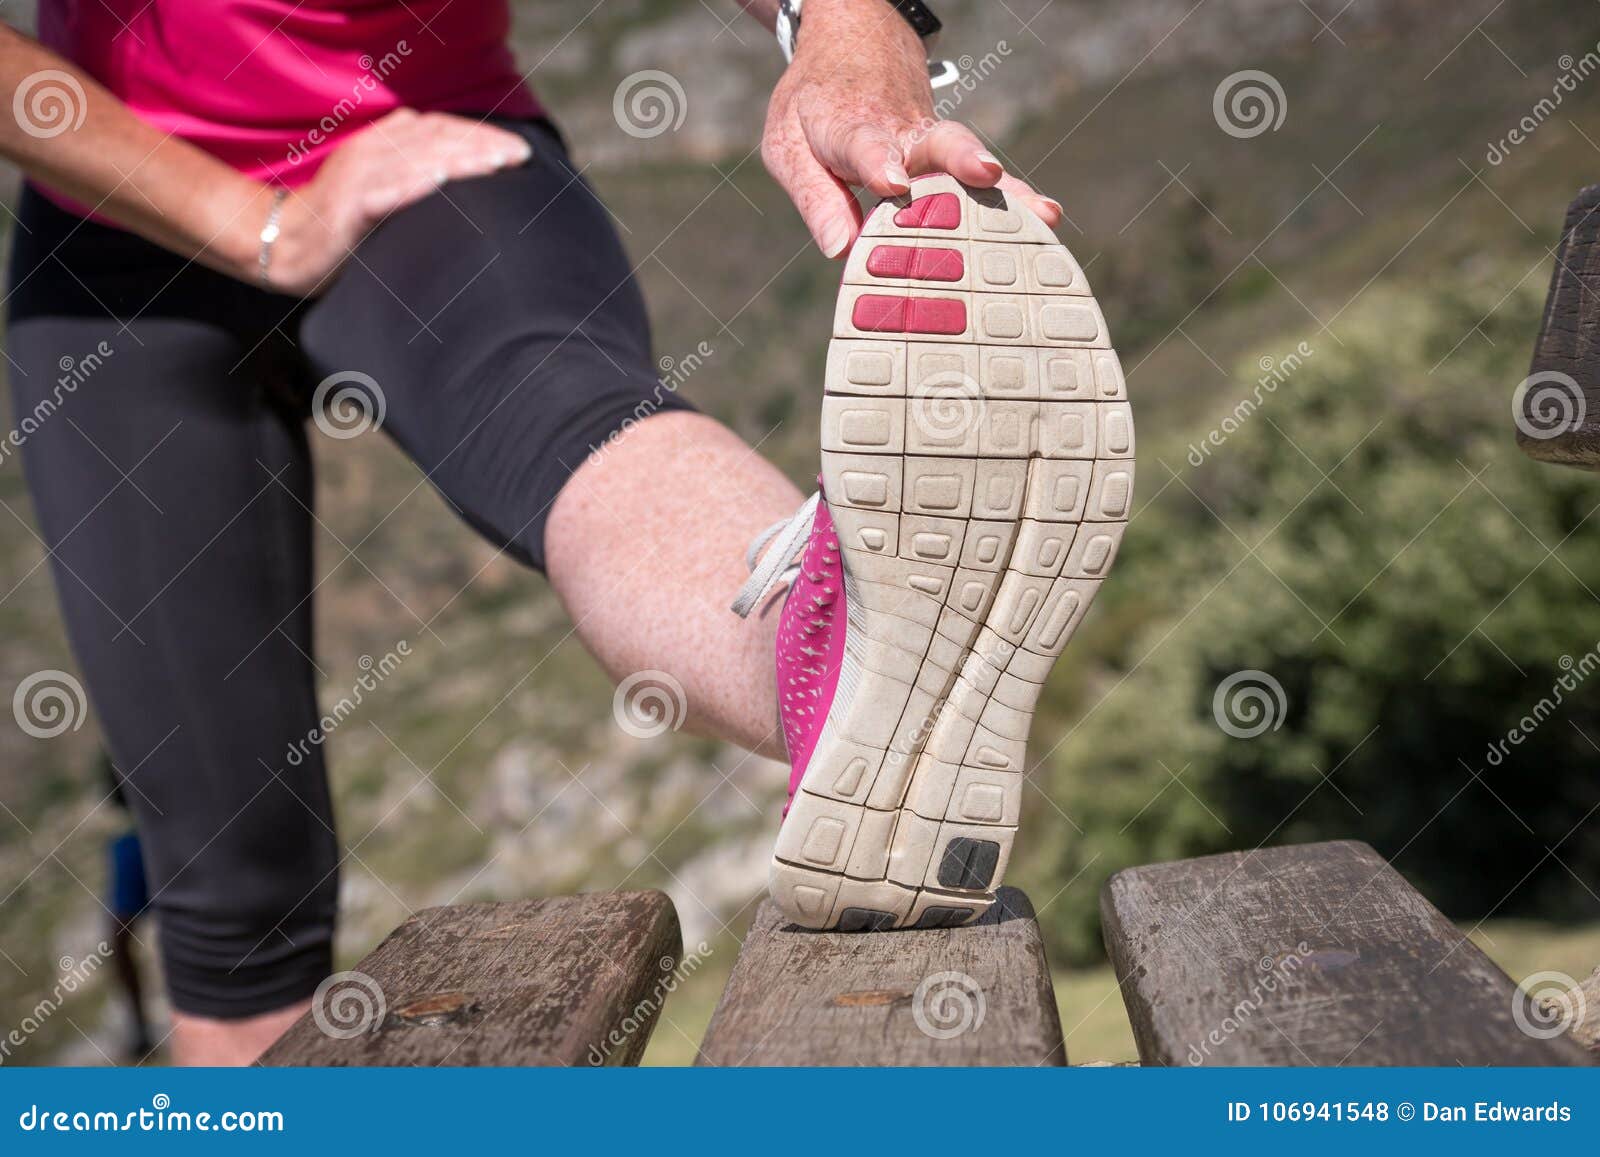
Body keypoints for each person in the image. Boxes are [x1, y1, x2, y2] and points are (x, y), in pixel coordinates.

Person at [1, 0, 1092, 1065]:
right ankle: (838, 643)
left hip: (424, 152)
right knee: (232, 888)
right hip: (116, 203)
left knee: (571, 412)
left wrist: (847, 25)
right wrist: (265, 224)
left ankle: (836, 643)